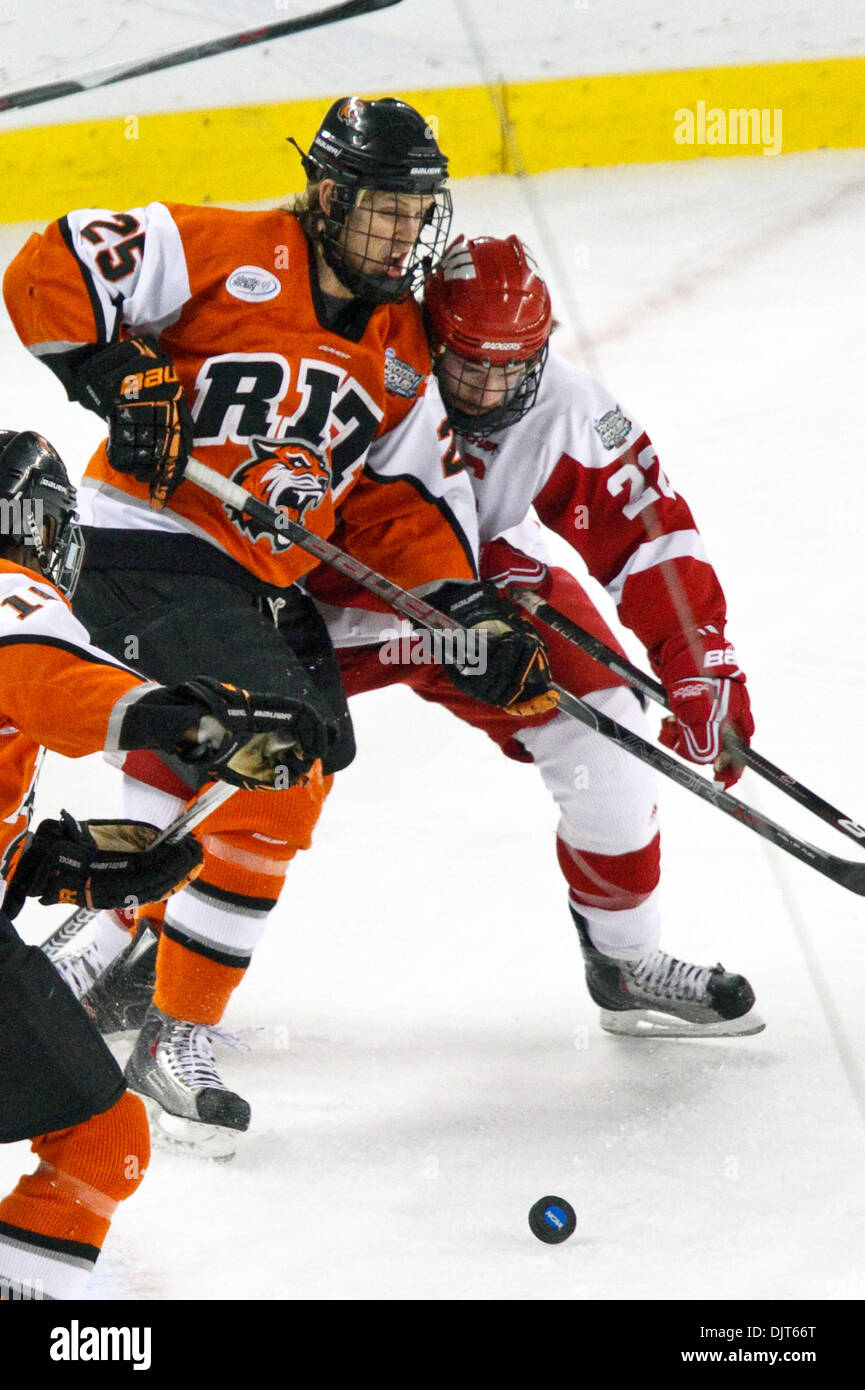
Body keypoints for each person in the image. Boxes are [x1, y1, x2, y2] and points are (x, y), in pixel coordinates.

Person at [2, 98, 554, 1152]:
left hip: (255, 577)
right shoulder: (222, 249)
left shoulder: (400, 353)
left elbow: (403, 511)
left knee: (299, 755)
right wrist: (107, 370)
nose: (403, 233)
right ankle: (166, 1018)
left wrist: (465, 611)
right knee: (275, 751)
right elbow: (47, 262)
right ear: (331, 195)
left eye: (417, 213)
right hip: (140, 542)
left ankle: (118, 938)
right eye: (385, 209)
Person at [306, 234, 762, 1037]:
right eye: (467, 363)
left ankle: (624, 957)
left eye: (510, 365)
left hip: (479, 608)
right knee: (221, 735)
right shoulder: (361, 362)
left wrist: (697, 660)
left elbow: (651, 535)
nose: (487, 387)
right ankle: (126, 938)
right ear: (429, 332)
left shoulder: (568, 405)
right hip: (317, 599)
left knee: (613, 731)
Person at [0, 429, 319, 1297]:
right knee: (103, 1142)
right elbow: (34, 675)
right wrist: (188, 724)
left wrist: (59, 867)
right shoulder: (10, 589)